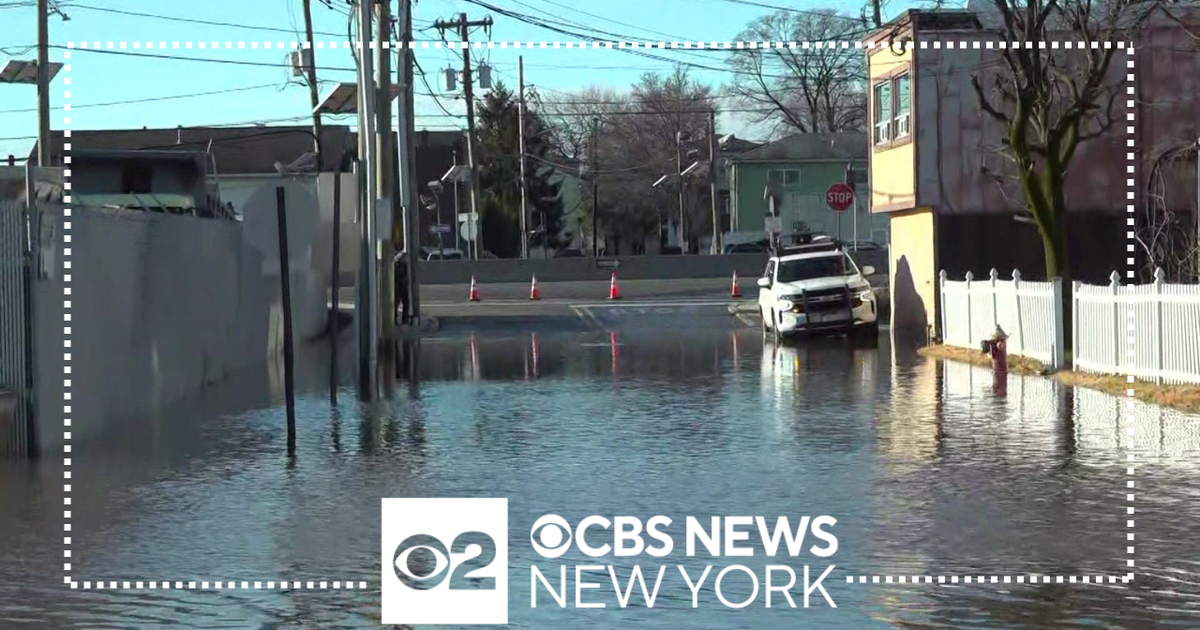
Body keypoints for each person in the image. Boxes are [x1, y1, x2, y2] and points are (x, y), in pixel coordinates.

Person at [394, 249, 410, 326]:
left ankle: (404, 320)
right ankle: (397, 320)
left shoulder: (403, 265)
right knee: (396, 304)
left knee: (405, 303)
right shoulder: (397, 264)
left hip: (402, 286)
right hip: (398, 286)